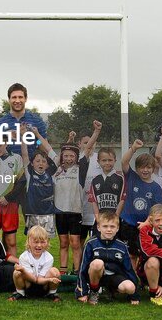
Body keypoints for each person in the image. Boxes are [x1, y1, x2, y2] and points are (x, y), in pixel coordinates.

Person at [53, 129, 96, 274]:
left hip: (76, 212)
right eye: (65, 156)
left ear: (76, 157)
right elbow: (47, 147)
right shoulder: (57, 169)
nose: (68, 158)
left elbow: (88, 148)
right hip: (59, 212)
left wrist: (96, 130)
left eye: (72, 156)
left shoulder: (80, 168)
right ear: (62, 157)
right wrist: (37, 135)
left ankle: (77, 272)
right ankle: (63, 272)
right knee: (63, 243)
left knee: (75, 243)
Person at [75, 211, 139, 305]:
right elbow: (82, 269)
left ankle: (112, 290)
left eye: (112, 226)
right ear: (98, 227)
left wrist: (134, 295)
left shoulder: (121, 246)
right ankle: (94, 291)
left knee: (130, 288)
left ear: (117, 228)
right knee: (97, 263)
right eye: (105, 226)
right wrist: (82, 293)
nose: (109, 229)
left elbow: (129, 269)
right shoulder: (90, 244)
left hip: (114, 276)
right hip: (95, 275)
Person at [119, 142, 162, 260]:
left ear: (153, 169)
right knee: (129, 255)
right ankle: (131, 277)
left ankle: (142, 276)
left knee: (145, 254)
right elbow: (124, 162)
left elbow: (156, 210)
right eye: (142, 167)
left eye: (148, 167)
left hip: (145, 225)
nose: (145, 170)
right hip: (128, 224)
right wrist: (133, 148)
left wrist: (147, 223)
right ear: (137, 168)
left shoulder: (156, 188)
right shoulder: (132, 177)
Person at [19, 126, 59, 240]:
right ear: (32, 163)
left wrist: (37, 134)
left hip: (48, 215)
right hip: (33, 215)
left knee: (46, 243)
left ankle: (45, 259)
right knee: (32, 243)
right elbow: (25, 154)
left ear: (47, 164)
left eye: (43, 161)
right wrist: (23, 136)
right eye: (37, 161)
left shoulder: (51, 173)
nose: (41, 163)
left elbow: (49, 150)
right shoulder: (30, 173)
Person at [0, 82, 48, 159]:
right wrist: (6, 135)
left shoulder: (37, 121)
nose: (17, 100)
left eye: (20, 97)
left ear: (25, 99)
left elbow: (45, 149)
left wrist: (36, 140)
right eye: (14, 97)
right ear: (9, 99)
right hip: (7, 169)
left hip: (30, 169)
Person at [10, 225, 61, 302]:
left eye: (42, 242)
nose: (39, 245)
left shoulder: (49, 257)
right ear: (29, 242)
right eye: (36, 242)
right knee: (16, 272)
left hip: (43, 286)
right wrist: (23, 270)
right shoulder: (24, 257)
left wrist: (50, 279)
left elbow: (39, 279)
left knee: (55, 271)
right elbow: (33, 279)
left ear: (47, 242)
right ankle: (20, 293)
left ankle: (51, 293)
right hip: (28, 285)